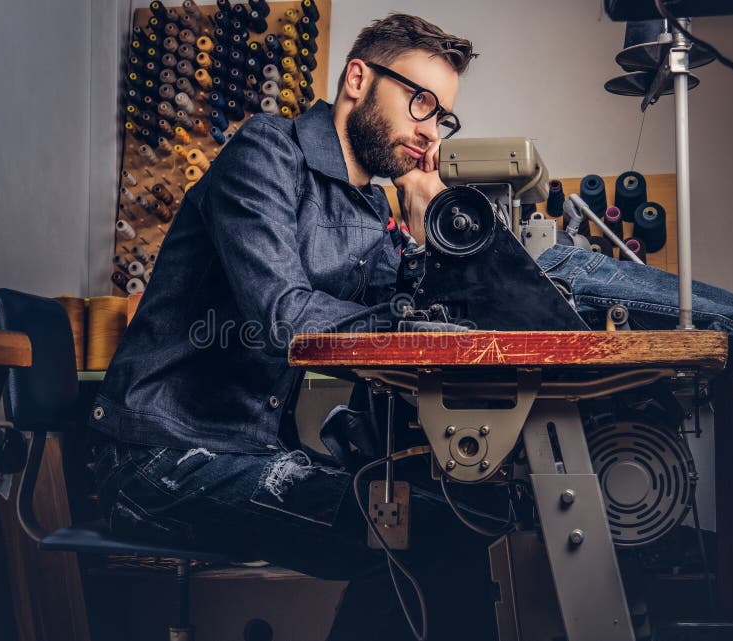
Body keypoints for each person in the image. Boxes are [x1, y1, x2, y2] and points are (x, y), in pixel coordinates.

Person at [91, 12, 500, 641]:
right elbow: (282, 315)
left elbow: (407, 317)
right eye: (420, 103)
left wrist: (426, 216)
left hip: (249, 450)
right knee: (427, 539)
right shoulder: (266, 151)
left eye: (442, 117)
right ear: (358, 79)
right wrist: (408, 322)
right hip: (158, 458)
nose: (430, 133)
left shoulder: (368, 205)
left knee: (454, 519)